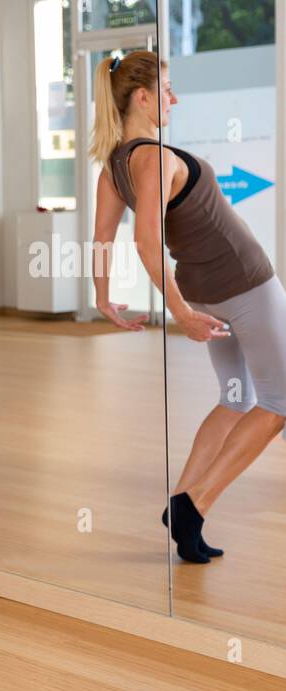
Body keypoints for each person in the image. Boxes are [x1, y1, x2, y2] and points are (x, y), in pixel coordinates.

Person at [90, 50, 285, 563]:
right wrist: (177, 312)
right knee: (279, 403)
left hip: (208, 289)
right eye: (168, 89)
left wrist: (101, 296)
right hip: (245, 284)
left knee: (237, 397)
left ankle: (182, 502)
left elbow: (101, 240)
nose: (174, 98)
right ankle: (194, 505)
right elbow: (146, 240)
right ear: (143, 97)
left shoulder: (114, 166)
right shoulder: (152, 156)